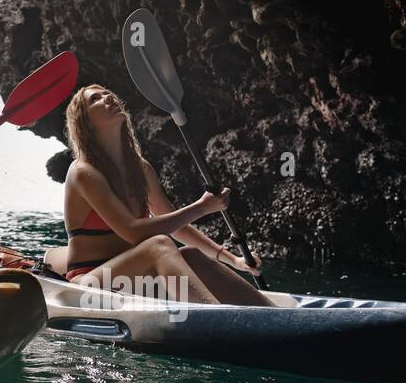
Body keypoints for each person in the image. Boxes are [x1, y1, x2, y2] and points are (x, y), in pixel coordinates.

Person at [49, 84, 273, 305]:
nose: (108, 98)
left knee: (191, 255)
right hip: (89, 286)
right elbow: (133, 233)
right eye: (95, 99)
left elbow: (177, 226)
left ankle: (269, 313)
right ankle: (219, 320)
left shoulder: (141, 168)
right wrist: (202, 207)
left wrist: (234, 260)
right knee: (159, 245)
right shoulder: (83, 171)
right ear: (84, 122)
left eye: (109, 93)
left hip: (136, 280)